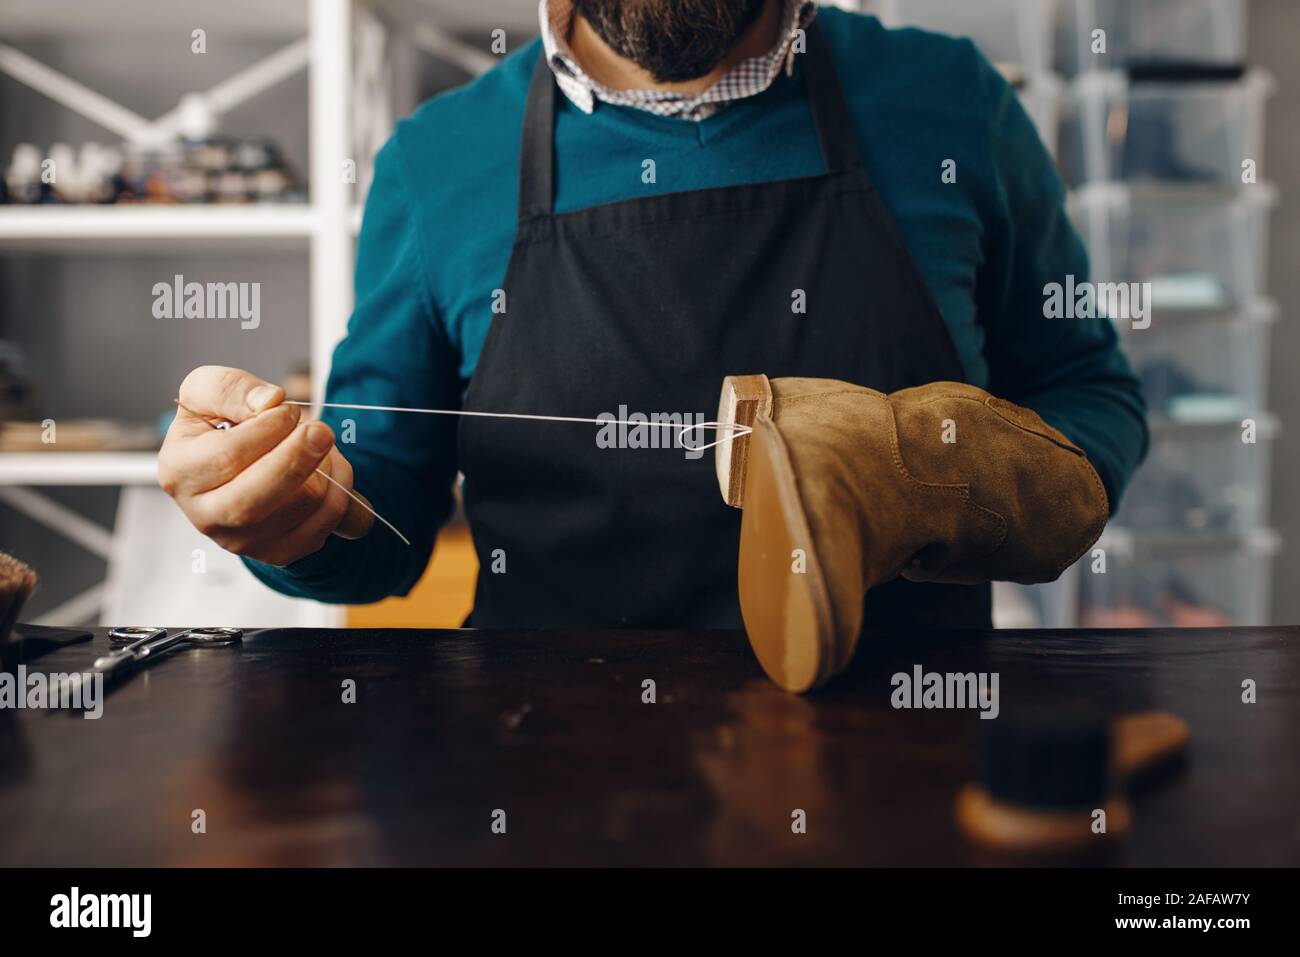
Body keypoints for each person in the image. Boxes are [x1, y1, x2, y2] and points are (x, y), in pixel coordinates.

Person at [158, 0, 1147, 632]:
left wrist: (962, 471)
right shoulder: (437, 159)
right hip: (539, 775)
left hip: (901, 773)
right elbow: (383, 523)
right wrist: (287, 516)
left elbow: (1084, 390)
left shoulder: (949, 103)